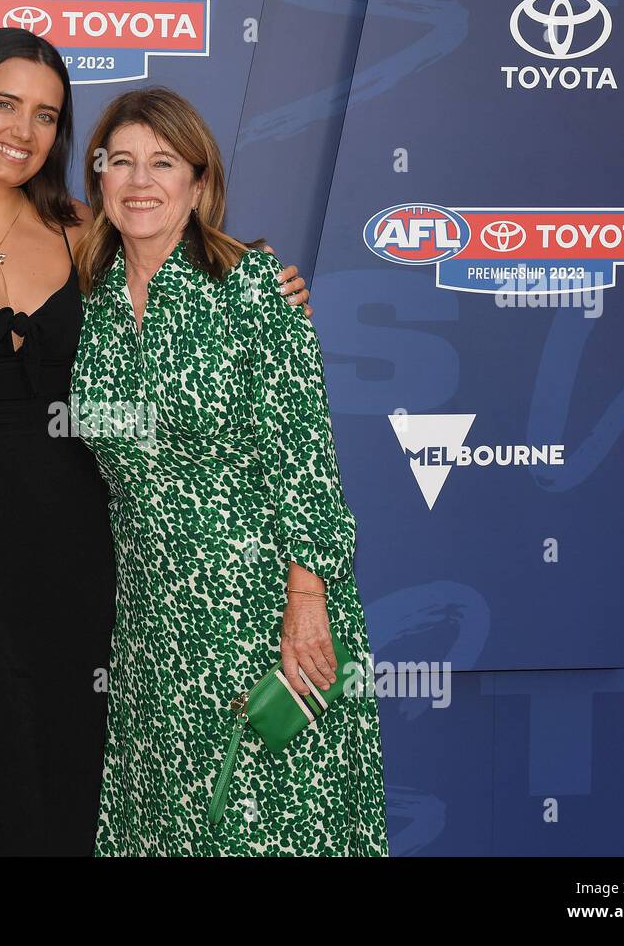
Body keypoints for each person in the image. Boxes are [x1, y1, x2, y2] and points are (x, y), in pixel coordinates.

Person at [0, 29, 313, 856]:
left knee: (58, 759)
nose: (23, 129)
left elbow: (179, 274)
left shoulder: (80, 231)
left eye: (48, 116)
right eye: (4, 104)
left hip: (73, 537)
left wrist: (266, 278)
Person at [70, 87, 390, 856]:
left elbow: (306, 455)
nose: (140, 181)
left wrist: (307, 600)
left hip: (263, 609)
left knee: (268, 826)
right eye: (122, 162)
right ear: (99, 179)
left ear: (198, 181)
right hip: (153, 625)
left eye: (163, 162)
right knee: (171, 824)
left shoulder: (250, 288)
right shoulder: (93, 304)